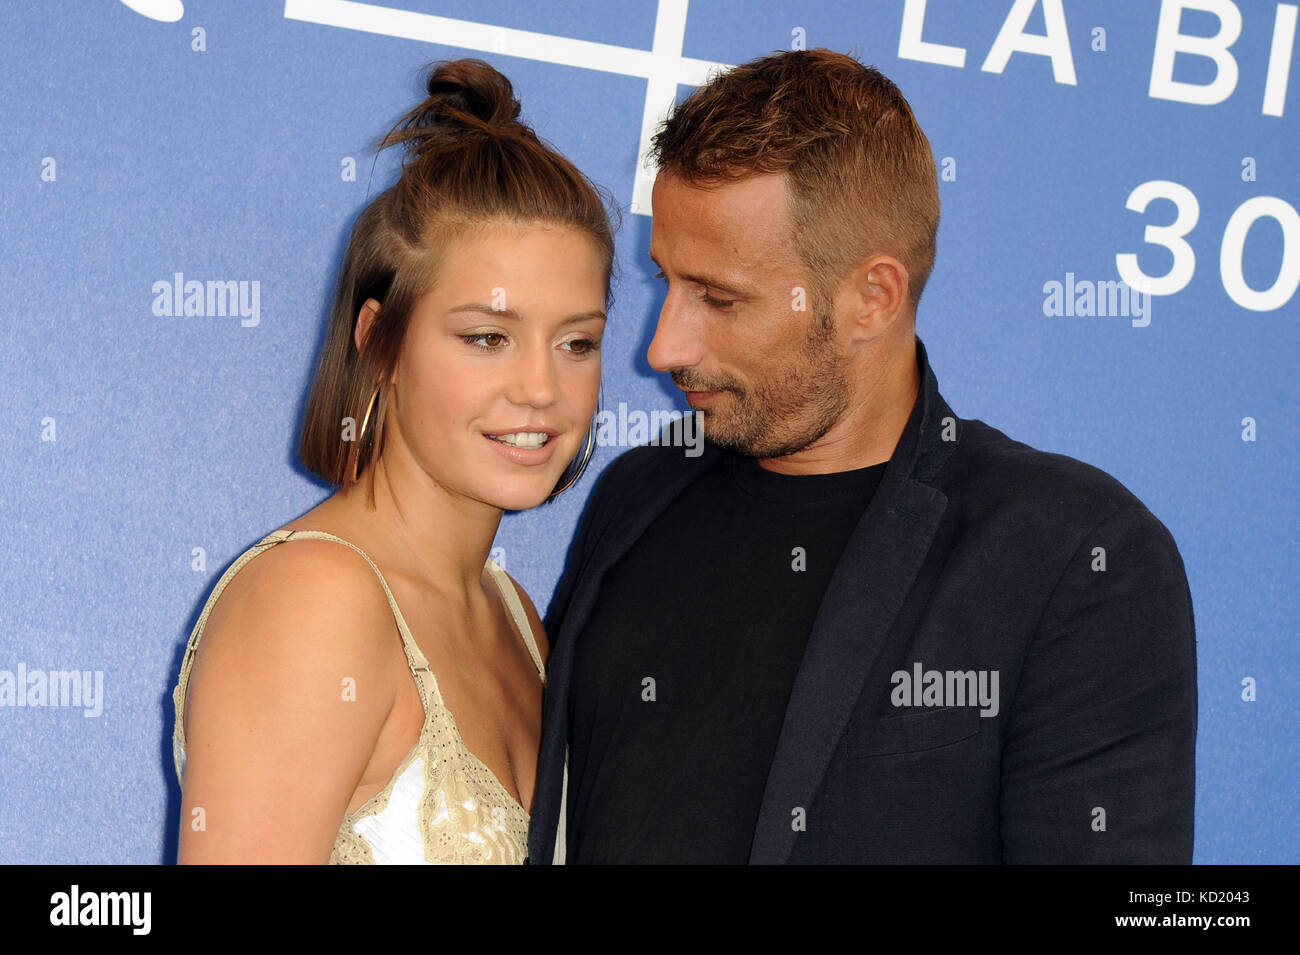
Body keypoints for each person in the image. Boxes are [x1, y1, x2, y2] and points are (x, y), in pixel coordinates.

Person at [529, 49, 1197, 864]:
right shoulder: (637, 495)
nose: (664, 345)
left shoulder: (1074, 557)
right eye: (667, 280)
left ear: (871, 297)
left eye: (719, 296)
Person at [171, 58, 615, 864]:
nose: (542, 389)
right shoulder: (316, 600)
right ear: (380, 345)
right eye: (488, 337)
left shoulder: (516, 616)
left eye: (577, 342)